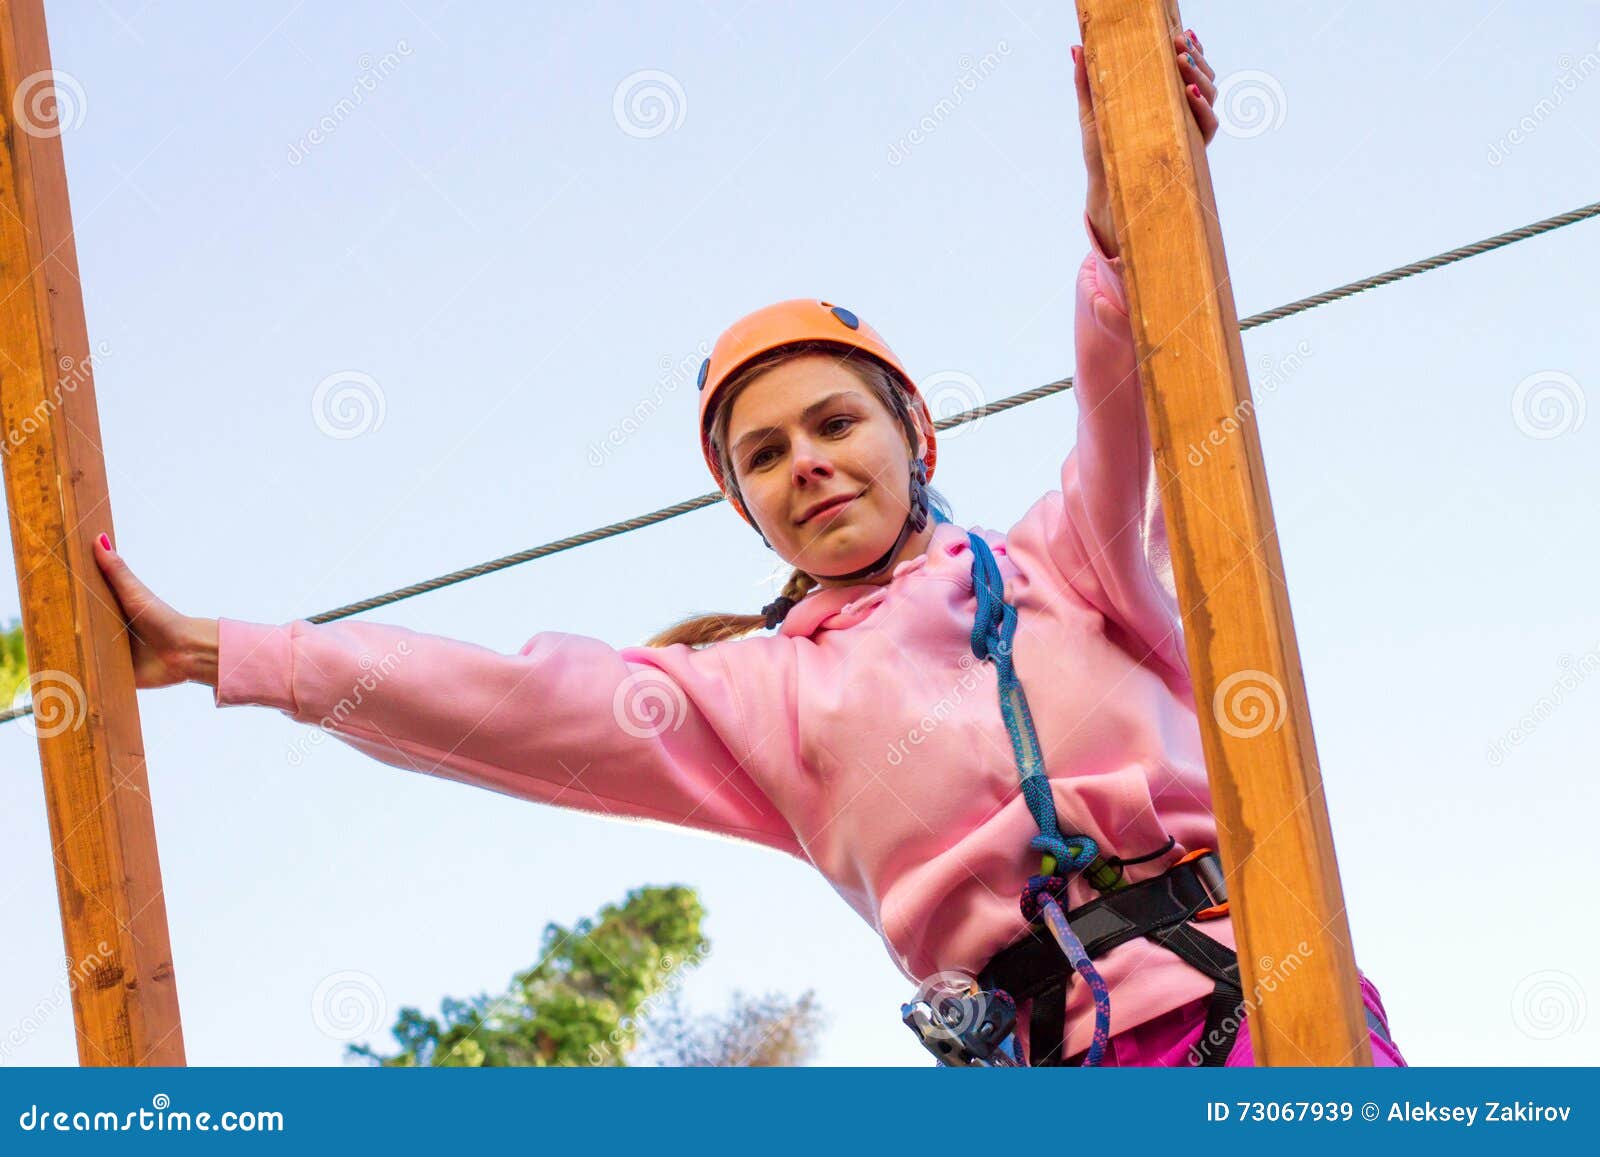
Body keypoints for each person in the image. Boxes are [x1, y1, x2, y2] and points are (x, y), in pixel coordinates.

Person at [92, 28, 1404, 1067]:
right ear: (746, 507)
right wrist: (228, 652)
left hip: (1262, 1007)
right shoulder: (757, 699)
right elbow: (505, 702)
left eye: (834, 422)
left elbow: (1135, 403)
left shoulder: (1063, 562)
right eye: (764, 454)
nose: (807, 462)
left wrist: (1126, 214)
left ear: (917, 436)